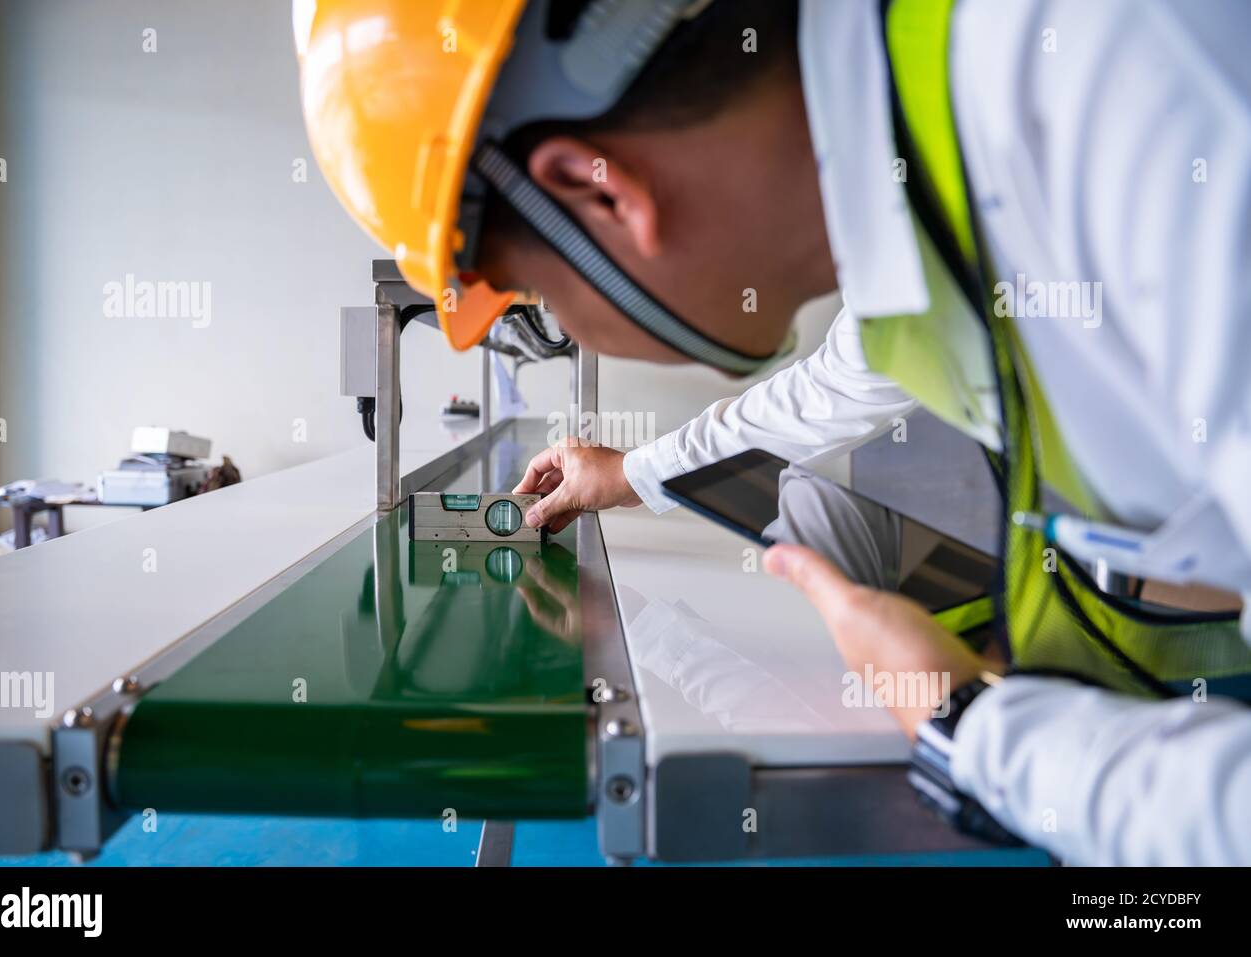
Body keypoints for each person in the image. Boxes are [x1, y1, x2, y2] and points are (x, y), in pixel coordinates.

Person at [297, 0, 1251, 864]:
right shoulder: (927, 142)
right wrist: (629, 471)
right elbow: (831, 388)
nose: (565, 330)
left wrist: (971, 729)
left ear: (602, 194)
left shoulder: (1113, 77)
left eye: (541, 293)